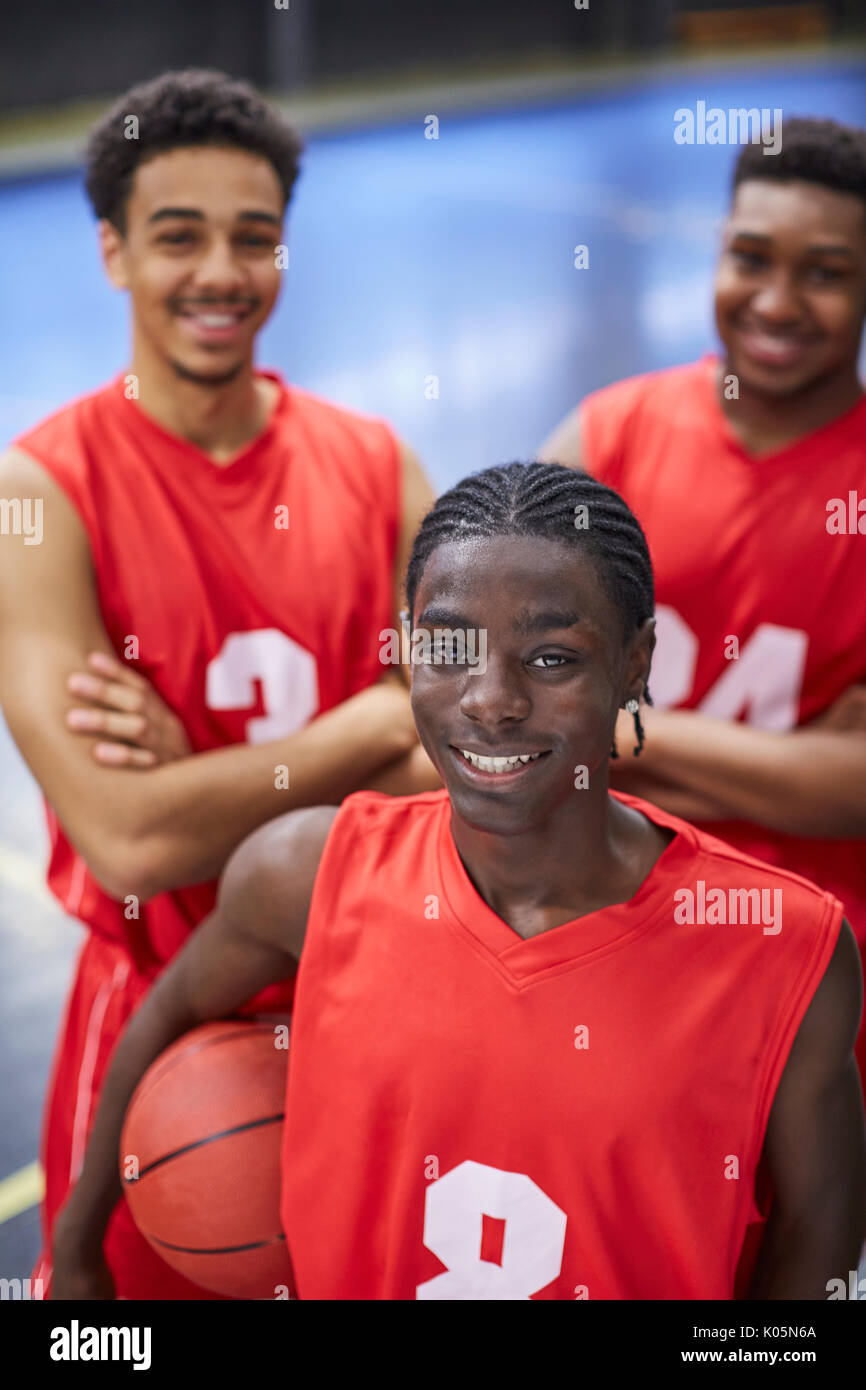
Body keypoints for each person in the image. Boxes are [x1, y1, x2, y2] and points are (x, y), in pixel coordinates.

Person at [50, 463, 866, 1300]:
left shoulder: (779, 942)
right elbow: (169, 1012)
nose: (492, 700)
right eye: (447, 649)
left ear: (634, 663)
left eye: (550, 658)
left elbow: (817, 1235)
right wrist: (80, 1240)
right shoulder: (305, 873)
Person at [0, 69, 437, 1300]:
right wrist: (371, 720)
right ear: (110, 252)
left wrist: (190, 769)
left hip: (376, 999)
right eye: (176, 235)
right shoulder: (39, 495)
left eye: (253, 236)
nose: (220, 273)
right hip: (156, 1018)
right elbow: (130, 841)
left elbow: (472, 756)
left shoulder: (375, 463)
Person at [538, 116, 866, 1083]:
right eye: (751, 257)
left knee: (793, 1226)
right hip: (594, 931)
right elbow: (486, 677)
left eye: (827, 271)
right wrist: (791, 768)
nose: (776, 300)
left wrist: (606, 731)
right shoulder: (608, 437)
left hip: (803, 974)